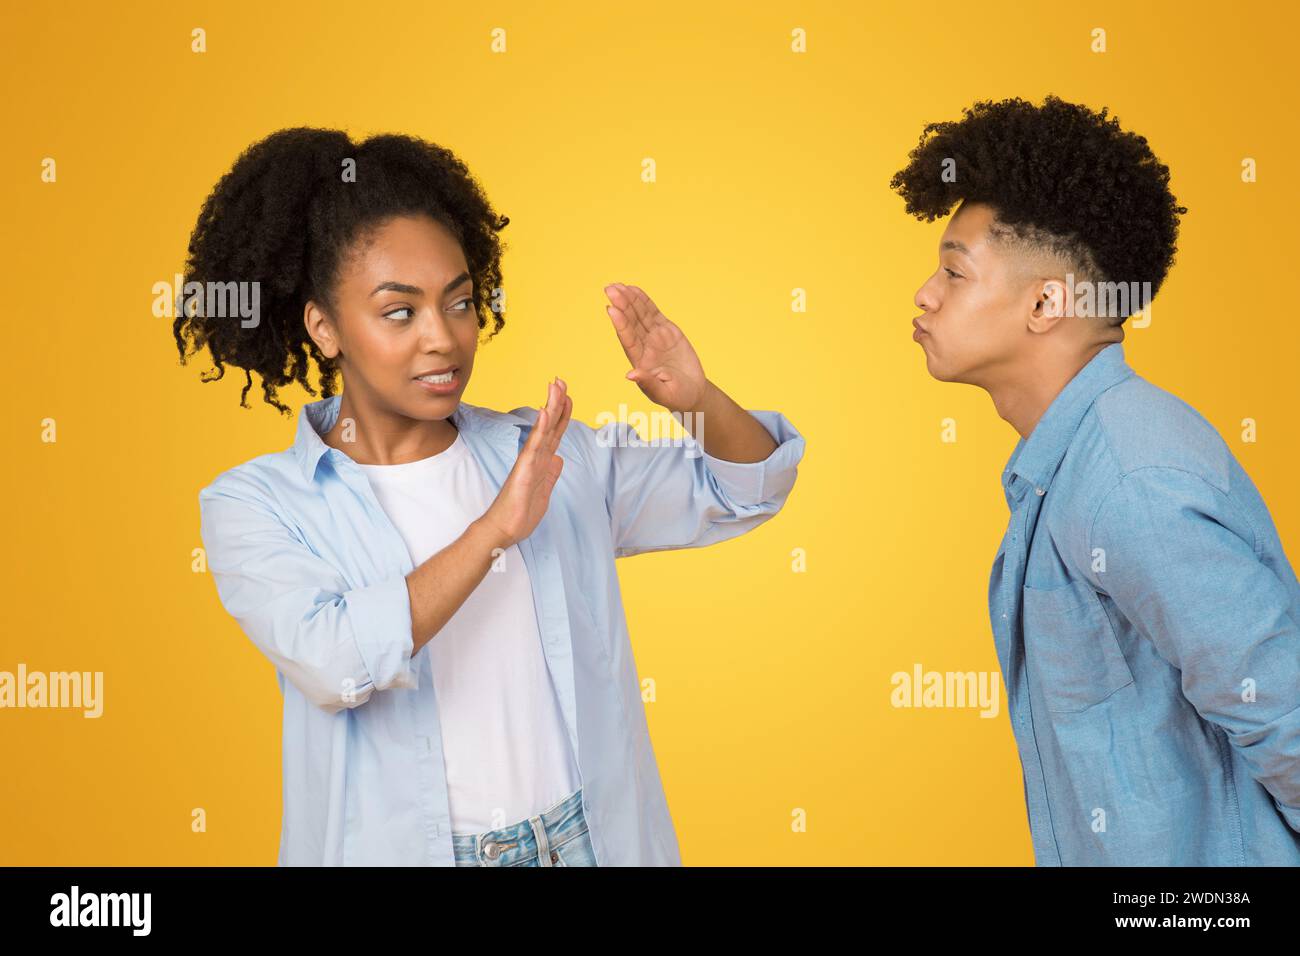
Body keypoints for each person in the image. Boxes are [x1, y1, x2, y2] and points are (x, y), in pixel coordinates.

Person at [176, 128, 806, 866]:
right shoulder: (257, 504)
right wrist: (493, 531)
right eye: (400, 312)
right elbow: (334, 662)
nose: (443, 338)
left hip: (592, 843)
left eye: (461, 302)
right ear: (324, 327)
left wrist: (694, 398)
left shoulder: (547, 452)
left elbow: (745, 489)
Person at [893, 95, 1300, 865]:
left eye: (953, 269)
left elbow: (1286, 713)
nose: (925, 292)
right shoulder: (1067, 467)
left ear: (1046, 303)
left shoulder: (1128, 482)